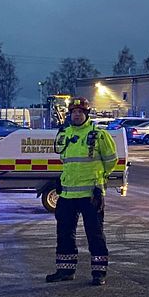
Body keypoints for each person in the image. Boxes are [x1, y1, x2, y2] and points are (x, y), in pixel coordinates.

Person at [46, 97, 117, 285]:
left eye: (80, 112)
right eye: (73, 112)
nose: (76, 115)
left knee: (94, 234)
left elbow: (111, 161)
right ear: (70, 115)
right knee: (64, 234)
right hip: (68, 194)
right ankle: (65, 271)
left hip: (90, 195)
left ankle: (99, 273)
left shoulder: (99, 135)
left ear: (87, 114)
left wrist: (99, 180)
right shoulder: (65, 133)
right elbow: (65, 160)